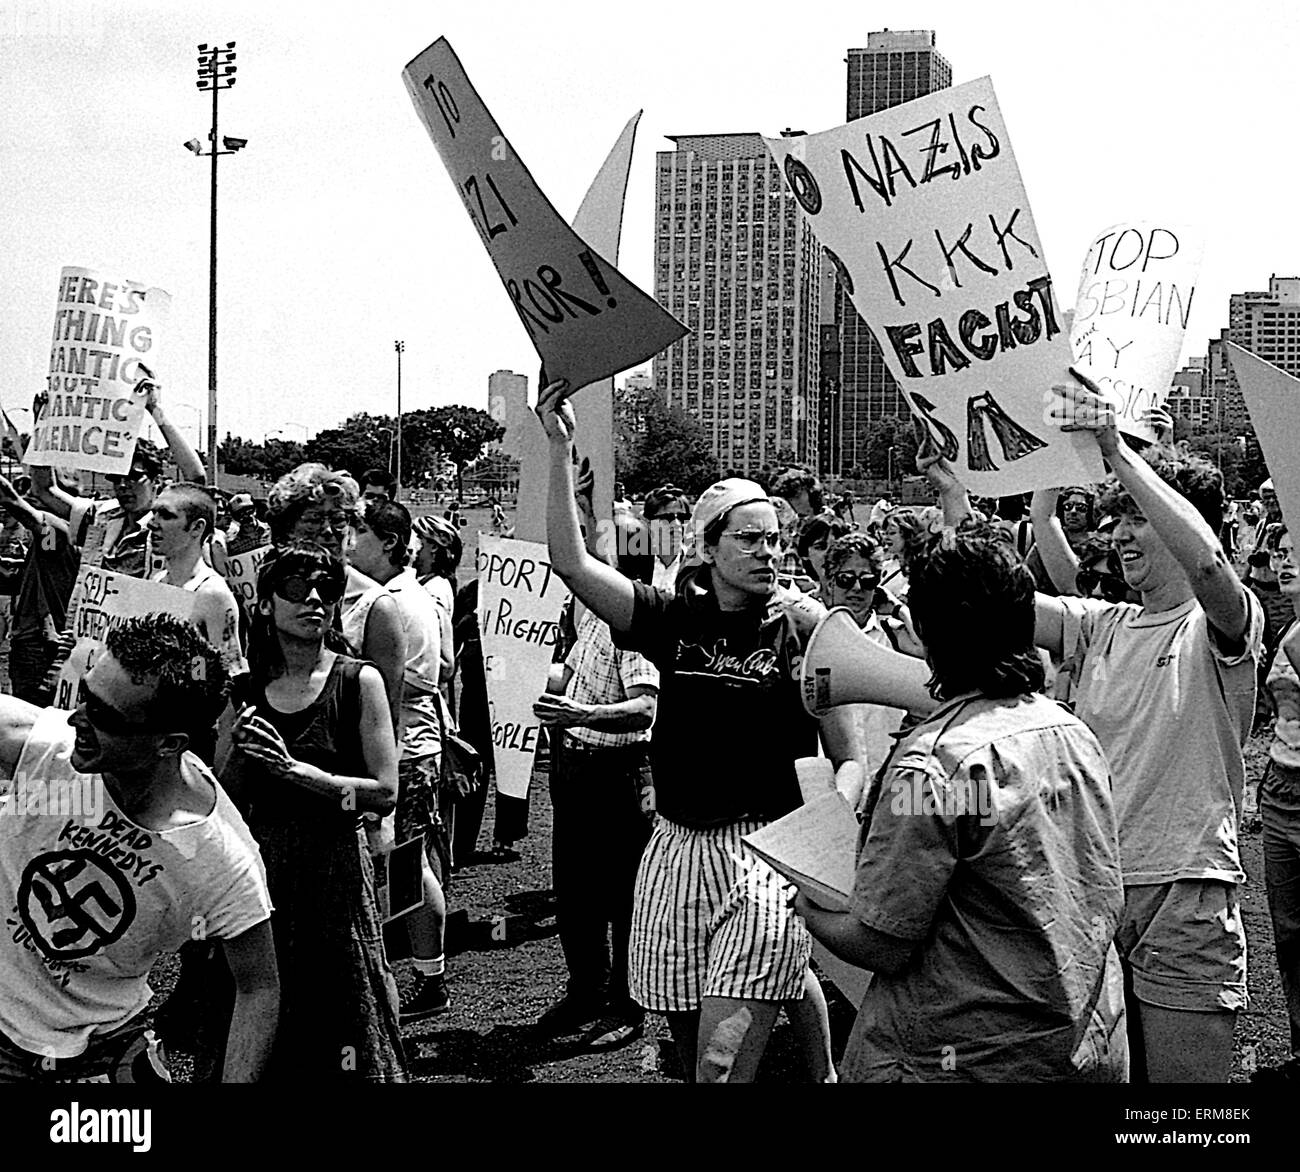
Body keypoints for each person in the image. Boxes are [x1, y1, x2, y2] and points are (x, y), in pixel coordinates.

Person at [537, 378, 826, 1084]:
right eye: (752, 539)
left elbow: (844, 749)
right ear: (709, 546)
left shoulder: (808, 628)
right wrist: (559, 445)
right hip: (675, 844)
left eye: (777, 540)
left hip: (766, 850)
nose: (770, 552)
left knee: (722, 1062)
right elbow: (571, 564)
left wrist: (823, 855)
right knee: (692, 1032)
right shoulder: (670, 619)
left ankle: (819, 1070)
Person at [796, 521, 1128, 1082]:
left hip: (959, 1057)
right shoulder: (1070, 730)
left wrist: (807, 906)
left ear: (928, 631)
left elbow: (880, 942)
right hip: (1082, 1039)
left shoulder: (930, 765)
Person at [1032, 371, 1262, 1083]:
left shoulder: (1222, 625)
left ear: (1172, 517)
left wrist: (1119, 451)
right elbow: (987, 605)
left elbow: (1210, 562)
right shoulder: (1103, 624)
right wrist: (988, 484)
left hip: (1185, 898)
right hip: (1094, 896)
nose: (1117, 534)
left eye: (1134, 515)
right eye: (1114, 517)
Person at [0, 613, 279, 1082]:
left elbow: (258, 987)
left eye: (104, 716)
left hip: (102, 1049)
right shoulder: (49, 751)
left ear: (169, 743)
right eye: (86, 696)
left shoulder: (220, 859)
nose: (75, 719)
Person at [229, 542, 405, 1081]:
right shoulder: (244, 689)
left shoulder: (358, 681)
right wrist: (233, 748)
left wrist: (301, 774)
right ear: (265, 604)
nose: (312, 599)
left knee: (347, 1000)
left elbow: (383, 791)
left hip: (335, 867)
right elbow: (227, 795)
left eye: (326, 590)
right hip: (262, 867)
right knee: (265, 998)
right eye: (294, 588)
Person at [532, 549, 659, 1051]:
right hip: (578, 767)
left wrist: (578, 713)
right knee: (575, 888)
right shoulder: (592, 621)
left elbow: (644, 708)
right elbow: (572, 676)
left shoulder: (631, 630)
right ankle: (586, 988)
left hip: (617, 774)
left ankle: (628, 1002)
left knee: (624, 894)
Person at [349, 499, 453, 1022]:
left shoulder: (395, 601)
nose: (350, 542)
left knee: (408, 867)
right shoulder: (404, 595)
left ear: (388, 542)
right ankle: (423, 972)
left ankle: (430, 980)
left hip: (404, 749)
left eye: (359, 532)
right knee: (408, 865)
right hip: (410, 746)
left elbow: (402, 682)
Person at [266, 464, 407, 744]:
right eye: (314, 519)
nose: (329, 531)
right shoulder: (268, 591)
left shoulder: (376, 607)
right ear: (285, 529)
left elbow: (387, 716)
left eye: (338, 520)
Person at [32, 372, 205, 579]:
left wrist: (155, 410)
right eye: (116, 479)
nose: (123, 486)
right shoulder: (102, 515)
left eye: (134, 477)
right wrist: (40, 424)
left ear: (156, 481)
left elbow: (196, 478)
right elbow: (45, 490)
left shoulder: (172, 522)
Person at [1252, 525, 1300, 1082]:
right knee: (1288, 933)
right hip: (1281, 785)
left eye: (1296, 556)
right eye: (1281, 554)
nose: (1282, 562)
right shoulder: (1287, 626)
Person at [147, 483, 247, 686]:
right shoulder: (157, 582)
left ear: (196, 528)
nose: (152, 524)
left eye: (166, 516)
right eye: (153, 513)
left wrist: (194, 669)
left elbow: (226, 674)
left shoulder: (212, 594)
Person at [0, 472, 80, 707]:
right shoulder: (49, 543)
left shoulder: (56, 535)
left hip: (41, 648)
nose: (30, 500)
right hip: (38, 645)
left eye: (37, 496)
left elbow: (23, 511)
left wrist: (9, 498)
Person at [642, 485, 691, 591]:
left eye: (683, 518)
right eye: (667, 518)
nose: (677, 524)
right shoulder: (635, 564)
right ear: (649, 522)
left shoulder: (695, 568)